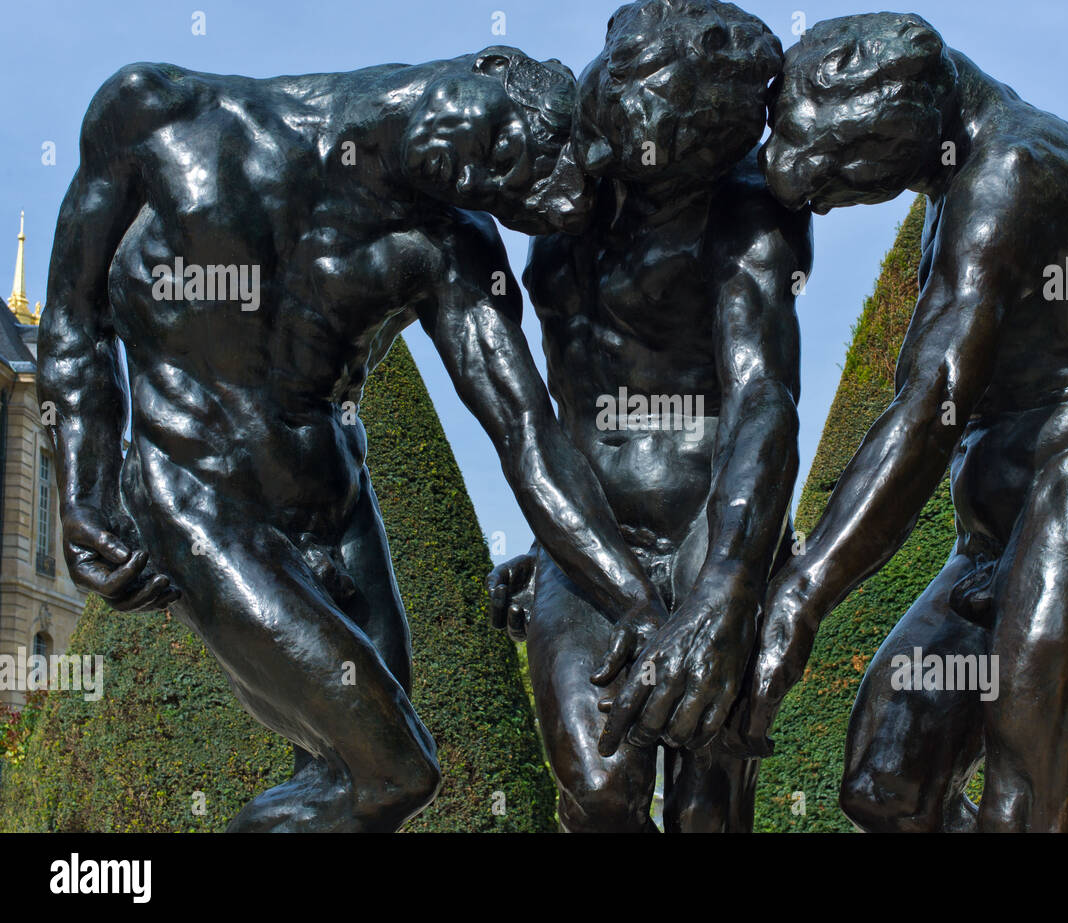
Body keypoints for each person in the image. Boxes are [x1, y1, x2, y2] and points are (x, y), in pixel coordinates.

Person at [38, 46, 665, 832]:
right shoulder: (156, 113)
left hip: (336, 515)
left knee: (350, 784)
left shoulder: (447, 244)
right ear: (492, 64)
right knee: (391, 773)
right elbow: (71, 322)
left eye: (495, 188)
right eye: (501, 147)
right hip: (198, 500)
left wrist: (633, 597)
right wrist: (83, 492)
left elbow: (526, 435)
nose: (469, 177)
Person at [733, 12, 1068, 832]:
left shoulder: (1015, 169)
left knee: (1029, 812)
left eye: (834, 172)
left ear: (892, 118)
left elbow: (928, 405)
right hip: (991, 540)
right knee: (884, 786)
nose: (826, 202)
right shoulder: (963, 177)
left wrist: (797, 597)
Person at [491, 0, 810, 831]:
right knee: (599, 793)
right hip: (594, 532)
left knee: (708, 805)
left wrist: (734, 583)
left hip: (710, 520)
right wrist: (550, 533)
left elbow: (762, 399)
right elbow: (556, 401)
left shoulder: (745, 210)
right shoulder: (564, 181)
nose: (607, 155)